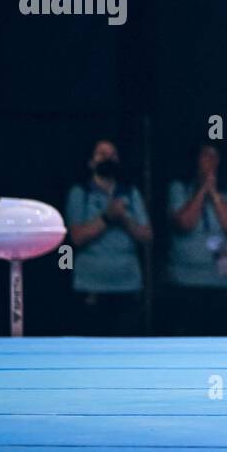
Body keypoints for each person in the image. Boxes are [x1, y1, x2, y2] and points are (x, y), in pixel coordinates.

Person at [64, 139, 153, 335]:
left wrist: (125, 219)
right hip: (91, 286)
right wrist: (107, 216)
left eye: (112, 155)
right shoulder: (80, 192)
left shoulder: (130, 193)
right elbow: (76, 237)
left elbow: (147, 235)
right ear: (91, 162)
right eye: (102, 154)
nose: (108, 159)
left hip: (127, 284)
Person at [165, 142, 227, 335]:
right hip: (186, 281)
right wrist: (202, 190)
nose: (211, 162)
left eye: (215, 157)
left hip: (223, 280)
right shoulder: (179, 188)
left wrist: (215, 194)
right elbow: (185, 223)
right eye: (206, 156)